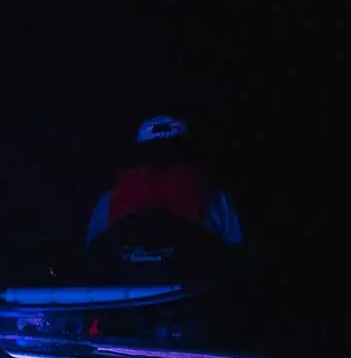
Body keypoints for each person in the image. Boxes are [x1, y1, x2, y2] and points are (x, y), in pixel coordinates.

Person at [84, 116, 242, 273]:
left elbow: (91, 255)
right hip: (183, 288)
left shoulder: (109, 200)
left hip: (133, 289)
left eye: (171, 153)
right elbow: (235, 251)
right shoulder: (215, 199)